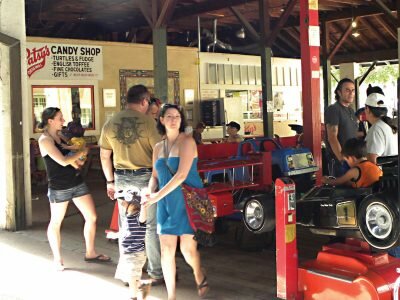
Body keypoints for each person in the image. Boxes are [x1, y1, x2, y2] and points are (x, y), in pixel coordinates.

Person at [99, 85, 164, 287]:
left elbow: (104, 155)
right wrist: (156, 180)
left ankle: (130, 272)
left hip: (121, 179)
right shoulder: (149, 123)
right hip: (146, 178)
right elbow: (158, 154)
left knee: (127, 226)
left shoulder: (110, 122)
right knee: (149, 227)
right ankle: (155, 271)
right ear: (144, 101)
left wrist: (110, 181)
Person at [142, 104, 209, 300]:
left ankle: (198, 273)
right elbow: (155, 175)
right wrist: (149, 189)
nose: (173, 120)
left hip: (186, 201)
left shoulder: (187, 142)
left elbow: (181, 175)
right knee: (166, 249)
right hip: (165, 201)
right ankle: (171, 296)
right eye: (169, 116)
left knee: (187, 249)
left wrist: (156, 196)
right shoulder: (157, 147)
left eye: (177, 117)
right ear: (161, 119)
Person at [37, 107, 110, 271]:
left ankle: (90, 252)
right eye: (60, 118)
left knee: (91, 216)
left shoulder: (61, 136)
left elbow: (71, 156)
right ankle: (57, 259)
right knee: (56, 222)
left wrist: (79, 156)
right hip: (59, 186)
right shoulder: (45, 140)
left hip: (76, 181)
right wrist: (83, 151)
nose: (63, 121)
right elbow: (63, 160)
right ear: (50, 121)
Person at [114, 188, 151, 300]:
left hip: (136, 253)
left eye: (124, 201)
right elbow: (128, 232)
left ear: (133, 203)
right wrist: (117, 235)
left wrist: (144, 204)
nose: (122, 203)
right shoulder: (128, 216)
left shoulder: (139, 217)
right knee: (128, 277)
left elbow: (143, 216)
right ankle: (142, 285)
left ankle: (133, 297)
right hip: (127, 252)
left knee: (131, 278)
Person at [324, 78, 360, 177]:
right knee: (341, 191)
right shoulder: (334, 110)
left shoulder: (351, 111)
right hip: (339, 162)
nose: (351, 93)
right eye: (347, 90)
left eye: (353, 90)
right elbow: (332, 137)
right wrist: (342, 159)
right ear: (339, 93)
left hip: (352, 160)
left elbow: (350, 132)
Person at [364, 92, 398, 164]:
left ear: (367, 109)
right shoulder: (388, 125)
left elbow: (372, 160)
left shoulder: (376, 129)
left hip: (383, 174)